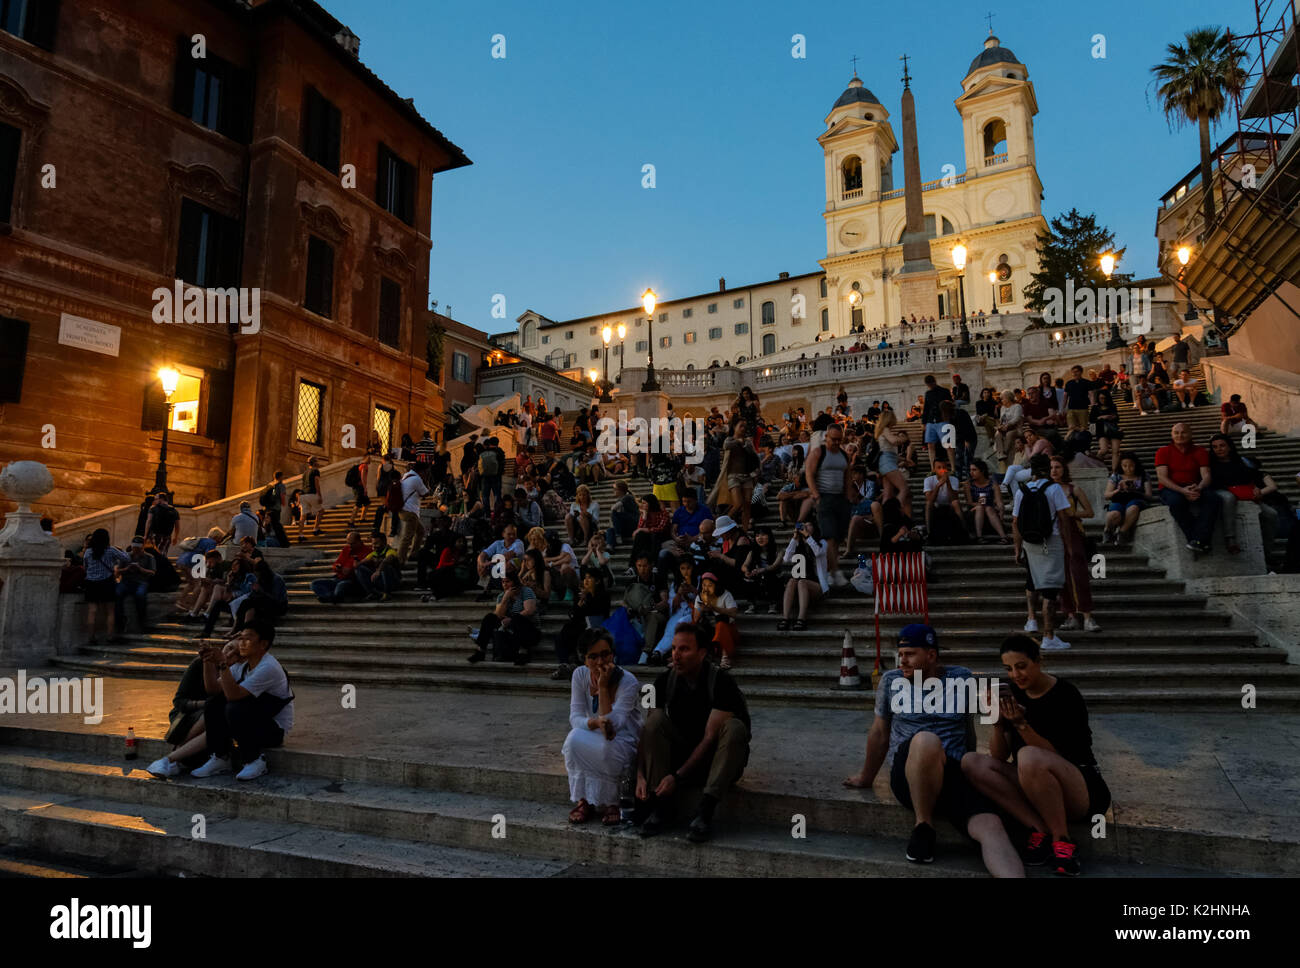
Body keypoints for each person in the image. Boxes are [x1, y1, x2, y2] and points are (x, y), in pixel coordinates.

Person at [842, 624, 1023, 876]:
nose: (902, 660)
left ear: (931, 655)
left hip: (951, 773)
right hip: (909, 774)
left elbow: (969, 725)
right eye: (900, 654)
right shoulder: (891, 681)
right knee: (926, 739)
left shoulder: (960, 678)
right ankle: (923, 826)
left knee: (991, 825)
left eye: (910, 654)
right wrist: (866, 777)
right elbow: (879, 732)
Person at [961, 635, 1111, 876]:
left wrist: (1022, 725)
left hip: (1081, 789)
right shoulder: (1013, 694)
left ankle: (1062, 840)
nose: (1016, 675)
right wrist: (998, 724)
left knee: (1030, 756)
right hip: (1035, 785)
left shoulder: (1066, 694)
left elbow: (1060, 756)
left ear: (1039, 661)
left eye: (1021, 666)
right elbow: (999, 757)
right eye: (1009, 669)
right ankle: (1038, 828)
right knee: (971, 762)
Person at [634, 623, 751, 844]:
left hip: (716, 761)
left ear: (702, 653)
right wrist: (640, 774)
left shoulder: (722, 682)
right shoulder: (662, 681)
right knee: (656, 720)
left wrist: (676, 778)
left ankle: (706, 808)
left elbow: (709, 739)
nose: (676, 655)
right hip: (682, 753)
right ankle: (662, 804)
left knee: (735, 728)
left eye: (684, 649)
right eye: (674, 648)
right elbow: (647, 730)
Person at [151, 621, 294, 782]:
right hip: (251, 722)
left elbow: (233, 696)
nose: (242, 643)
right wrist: (207, 660)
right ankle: (220, 758)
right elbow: (213, 690)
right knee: (214, 703)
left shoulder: (268, 667)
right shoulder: (243, 665)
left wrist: (222, 664)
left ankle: (254, 760)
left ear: (263, 644)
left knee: (233, 708)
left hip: (273, 730)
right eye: (241, 639)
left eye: (248, 639)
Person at [563, 628, 643, 826]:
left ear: (613, 654)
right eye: (593, 656)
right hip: (593, 733)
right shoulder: (579, 675)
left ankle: (612, 802)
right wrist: (593, 723)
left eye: (605, 654)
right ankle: (585, 800)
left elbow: (612, 728)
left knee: (605, 748)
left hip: (623, 739)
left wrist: (604, 687)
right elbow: (575, 717)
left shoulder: (628, 681)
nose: (600, 662)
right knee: (573, 740)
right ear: (584, 659)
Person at [1012, 453, 1073, 651]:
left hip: (1030, 542)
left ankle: (1032, 621)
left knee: (1032, 580)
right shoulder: (1054, 489)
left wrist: (1017, 548)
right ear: (1046, 468)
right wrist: (1068, 544)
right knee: (1050, 590)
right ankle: (1049, 636)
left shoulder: (1022, 491)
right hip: (1051, 540)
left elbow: (1015, 522)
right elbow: (1064, 518)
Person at [1209, 433, 1280, 556]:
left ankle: (1267, 551)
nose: (1219, 449)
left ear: (1229, 447)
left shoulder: (1241, 461)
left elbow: (1257, 476)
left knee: (1271, 514)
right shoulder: (1210, 465)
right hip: (1225, 494)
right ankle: (1230, 539)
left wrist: (1258, 490)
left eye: (1222, 446)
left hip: (1248, 496)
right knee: (1228, 498)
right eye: (1215, 447)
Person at [1050, 456, 1099, 633]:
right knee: (1061, 576)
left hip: (1074, 533)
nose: (1054, 471)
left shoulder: (1073, 489)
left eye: (1057, 467)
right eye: (1051, 468)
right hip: (1055, 534)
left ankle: (1087, 615)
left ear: (1064, 469)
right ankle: (1070, 615)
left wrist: (1071, 512)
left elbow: (1090, 512)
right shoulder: (1046, 490)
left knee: (1079, 573)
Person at [1155, 423, 1221, 555]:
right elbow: (1162, 478)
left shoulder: (1200, 451)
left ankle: (1197, 540)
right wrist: (1182, 491)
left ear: (1190, 434)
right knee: (1176, 502)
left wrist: (1199, 487)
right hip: (1171, 488)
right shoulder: (1163, 451)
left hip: (1194, 485)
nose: (1180, 435)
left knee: (1213, 499)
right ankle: (1198, 540)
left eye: (1183, 432)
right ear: (1172, 435)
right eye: (1176, 433)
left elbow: (1206, 475)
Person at [805, 422, 851, 587]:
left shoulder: (844, 455)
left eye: (839, 439)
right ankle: (835, 572)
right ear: (826, 437)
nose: (837, 442)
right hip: (825, 498)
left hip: (840, 499)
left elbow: (847, 476)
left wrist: (848, 497)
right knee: (830, 537)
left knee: (838, 538)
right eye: (834, 439)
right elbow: (809, 473)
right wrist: (816, 496)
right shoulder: (819, 452)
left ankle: (831, 570)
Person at [467, 565, 540, 665]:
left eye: (508, 581)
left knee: (517, 618)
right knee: (490, 617)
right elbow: (498, 615)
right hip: (509, 631)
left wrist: (511, 619)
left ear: (514, 582)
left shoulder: (526, 591)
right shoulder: (502, 596)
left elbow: (529, 611)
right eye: (503, 582)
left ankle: (523, 653)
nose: (505, 584)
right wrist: (505, 599)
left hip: (530, 630)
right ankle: (480, 651)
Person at [552, 567, 611, 680]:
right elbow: (574, 614)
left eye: (590, 578)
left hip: (596, 627)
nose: (586, 581)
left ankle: (573, 664)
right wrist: (580, 603)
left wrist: (587, 599)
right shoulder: (581, 595)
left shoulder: (604, 595)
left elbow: (598, 612)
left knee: (574, 631)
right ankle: (564, 664)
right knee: (561, 635)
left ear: (597, 581)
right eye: (585, 578)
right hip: (581, 626)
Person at [778, 520, 830, 631]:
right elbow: (786, 559)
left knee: (802, 582)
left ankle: (802, 619)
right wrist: (794, 538)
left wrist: (807, 536)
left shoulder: (822, 543)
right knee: (792, 580)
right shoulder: (797, 543)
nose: (805, 527)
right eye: (803, 525)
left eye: (808, 524)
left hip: (817, 585)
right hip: (798, 587)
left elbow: (818, 552)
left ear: (815, 528)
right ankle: (785, 618)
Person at [82, 529, 129, 647]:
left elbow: (85, 566)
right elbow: (126, 559)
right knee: (110, 612)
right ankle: (109, 637)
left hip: (91, 583)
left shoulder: (88, 551)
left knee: (92, 611)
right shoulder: (111, 550)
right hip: (106, 583)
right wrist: (121, 550)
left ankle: (91, 638)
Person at [692, 571, 740, 669]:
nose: (706, 588)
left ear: (716, 585)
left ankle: (725, 658)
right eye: (704, 585)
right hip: (710, 631)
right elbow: (695, 618)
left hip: (728, 632)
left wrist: (714, 608)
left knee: (721, 623)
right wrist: (702, 608)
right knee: (696, 627)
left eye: (710, 585)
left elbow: (734, 613)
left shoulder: (726, 594)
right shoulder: (700, 596)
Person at [1102, 452, 1152, 546]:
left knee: (1133, 507)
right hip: (1119, 501)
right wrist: (1118, 489)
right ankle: (1107, 530)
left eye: (1131, 466)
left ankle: (1122, 532)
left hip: (1136, 501)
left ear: (1136, 465)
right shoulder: (1116, 476)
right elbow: (1107, 495)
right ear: (1121, 465)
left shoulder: (1143, 475)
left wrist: (1135, 490)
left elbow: (1149, 495)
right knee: (1113, 514)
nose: (1128, 469)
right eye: (1125, 466)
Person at [113, 536, 156, 638]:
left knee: (140, 595)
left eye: (138, 548)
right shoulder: (125, 556)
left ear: (143, 547)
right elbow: (117, 571)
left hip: (141, 582)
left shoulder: (150, 557)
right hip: (126, 581)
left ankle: (142, 621)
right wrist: (127, 569)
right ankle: (120, 621)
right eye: (134, 547)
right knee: (117, 594)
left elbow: (152, 572)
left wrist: (140, 569)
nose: (135, 550)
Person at [311, 532, 371, 603]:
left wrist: (348, 570)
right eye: (348, 543)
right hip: (338, 578)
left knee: (341, 586)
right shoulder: (346, 549)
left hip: (353, 582)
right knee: (315, 584)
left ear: (359, 542)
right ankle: (331, 596)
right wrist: (337, 567)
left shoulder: (367, 552)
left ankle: (330, 596)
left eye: (352, 543)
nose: (350, 546)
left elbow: (356, 571)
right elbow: (336, 564)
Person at [923, 458, 968, 545]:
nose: (941, 470)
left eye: (943, 467)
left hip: (949, 505)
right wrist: (937, 486)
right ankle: (929, 533)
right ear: (934, 469)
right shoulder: (928, 480)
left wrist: (947, 482)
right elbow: (930, 499)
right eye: (939, 467)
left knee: (956, 503)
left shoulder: (954, 479)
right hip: (936, 505)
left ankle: (964, 530)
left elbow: (954, 498)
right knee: (928, 503)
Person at [964, 459, 1008, 543]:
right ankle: (979, 537)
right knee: (981, 507)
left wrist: (1001, 510)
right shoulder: (968, 484)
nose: (971, 472)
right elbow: (969, 502)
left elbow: (999, 501)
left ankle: (1004, 537)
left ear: (982, 471)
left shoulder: (992, 484)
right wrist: (978, 504)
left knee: (988, 508)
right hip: (974, 512)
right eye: (970, 470)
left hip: (990, 512)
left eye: (974, 470)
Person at [395, 463, 430, 564]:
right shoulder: (416, 479)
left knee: (420, 531)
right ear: (422, 471)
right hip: (410, 512)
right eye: (426, 472)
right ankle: (400, 560)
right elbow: (426, 493)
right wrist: (425, 480)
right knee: (407, 537)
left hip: (404, 510)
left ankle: (413, 554)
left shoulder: (406, 476)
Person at [355, 531, 403, 602]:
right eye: (373, 543)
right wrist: (356, 561)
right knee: (359, 569)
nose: (374, 546)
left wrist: (378, 571)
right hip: (380, 581)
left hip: (393, 582)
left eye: (376, 543)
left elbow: (387, 560)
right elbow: (360, 563)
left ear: (384, 542)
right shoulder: (374, 553)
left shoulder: (391, 551)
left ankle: (387, 594)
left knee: (385, 566)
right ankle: (373, 593)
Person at [920, 374, 955, 470]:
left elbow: (951, 405)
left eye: (931, 383)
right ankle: (933, 468)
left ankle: (953, 468)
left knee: (948, 445)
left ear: (934, 381)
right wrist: (924, 423)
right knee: (930, 444)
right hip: (931, 421)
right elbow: (926, 408)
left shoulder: (944, 391)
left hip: (943, 420)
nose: (930, 385)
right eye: (928, 384)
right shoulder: (928, 394)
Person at [1090, 389, 1124, 473]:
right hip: (1101, 430)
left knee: (1115, 451)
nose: (1103, 400)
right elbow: (1091, 419)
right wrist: (1102, 417)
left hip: (1113, 429)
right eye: (1101, 398)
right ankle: (1096, 465)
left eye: (1104, 398)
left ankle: (1114, 472)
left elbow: (1117, 418)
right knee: (1103, 450)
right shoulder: (1095, 407)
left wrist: (1112, 417)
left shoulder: (1112, 406)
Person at [372, 457, 401, 537]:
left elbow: (378, 477)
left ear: (383, 459)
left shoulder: (381, 466)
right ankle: (392, 529)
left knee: (384, 505)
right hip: (389, 486)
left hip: (382, 486)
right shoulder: (393, 467)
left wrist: (377, 485)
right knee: (389, 506)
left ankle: (376, 529)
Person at [298, 457, 324, 541]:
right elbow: (317, 483)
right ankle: (315, 529)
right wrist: (319, 495)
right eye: (317, 461)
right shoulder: (315, 471)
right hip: (311, 494)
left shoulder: (305, 473)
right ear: (314, 462)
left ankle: (300, 535)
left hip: (303, 495)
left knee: (303, 516)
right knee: (320, 511)